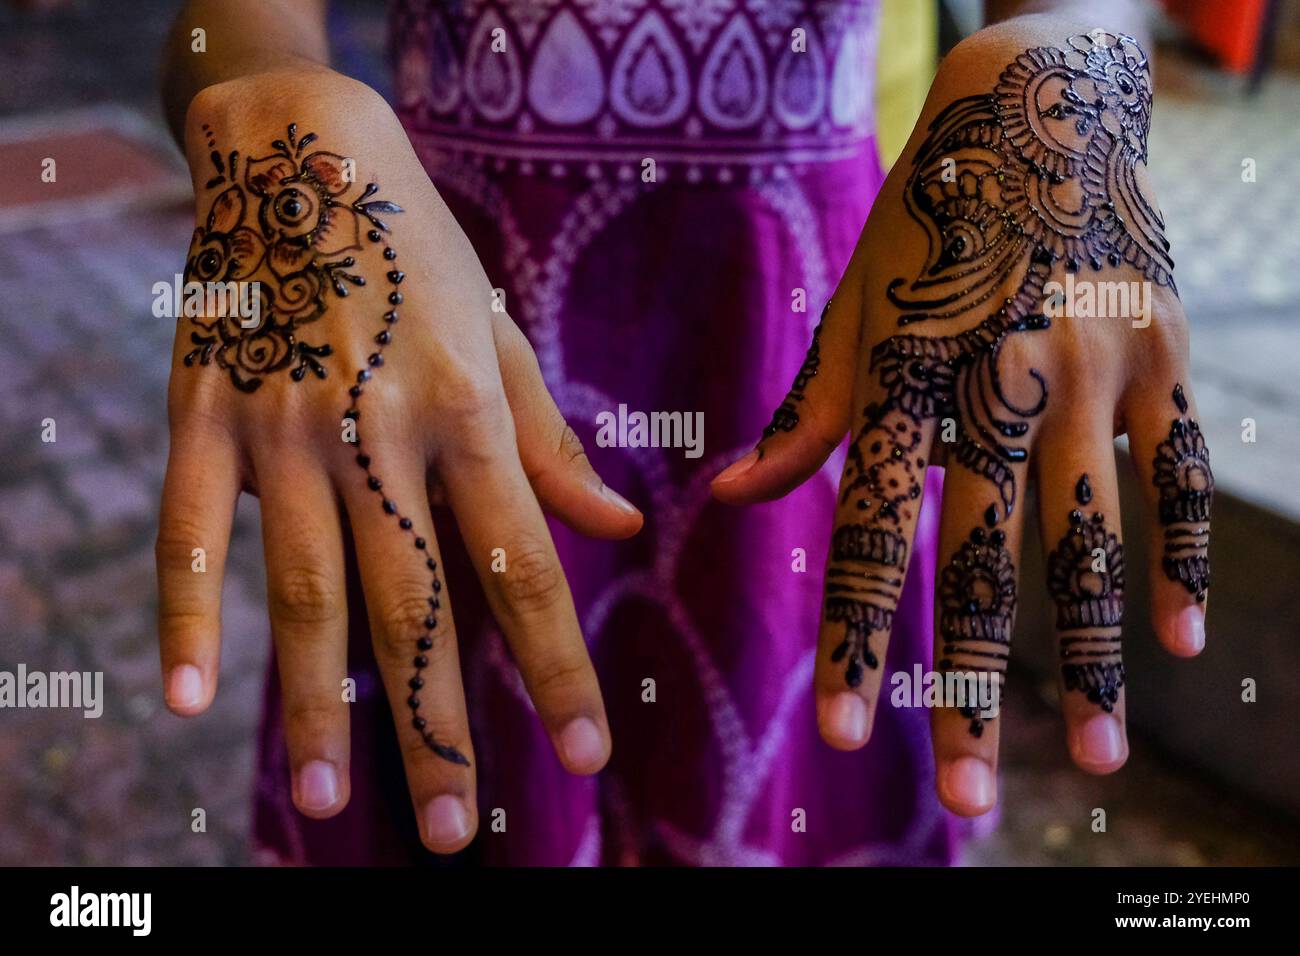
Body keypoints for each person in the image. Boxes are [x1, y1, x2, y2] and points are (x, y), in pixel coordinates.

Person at [155, 0, 1212, 865]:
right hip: (436, 308)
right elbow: (227, 23)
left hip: (793, 330)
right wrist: (267, 104)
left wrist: (1056, 58)